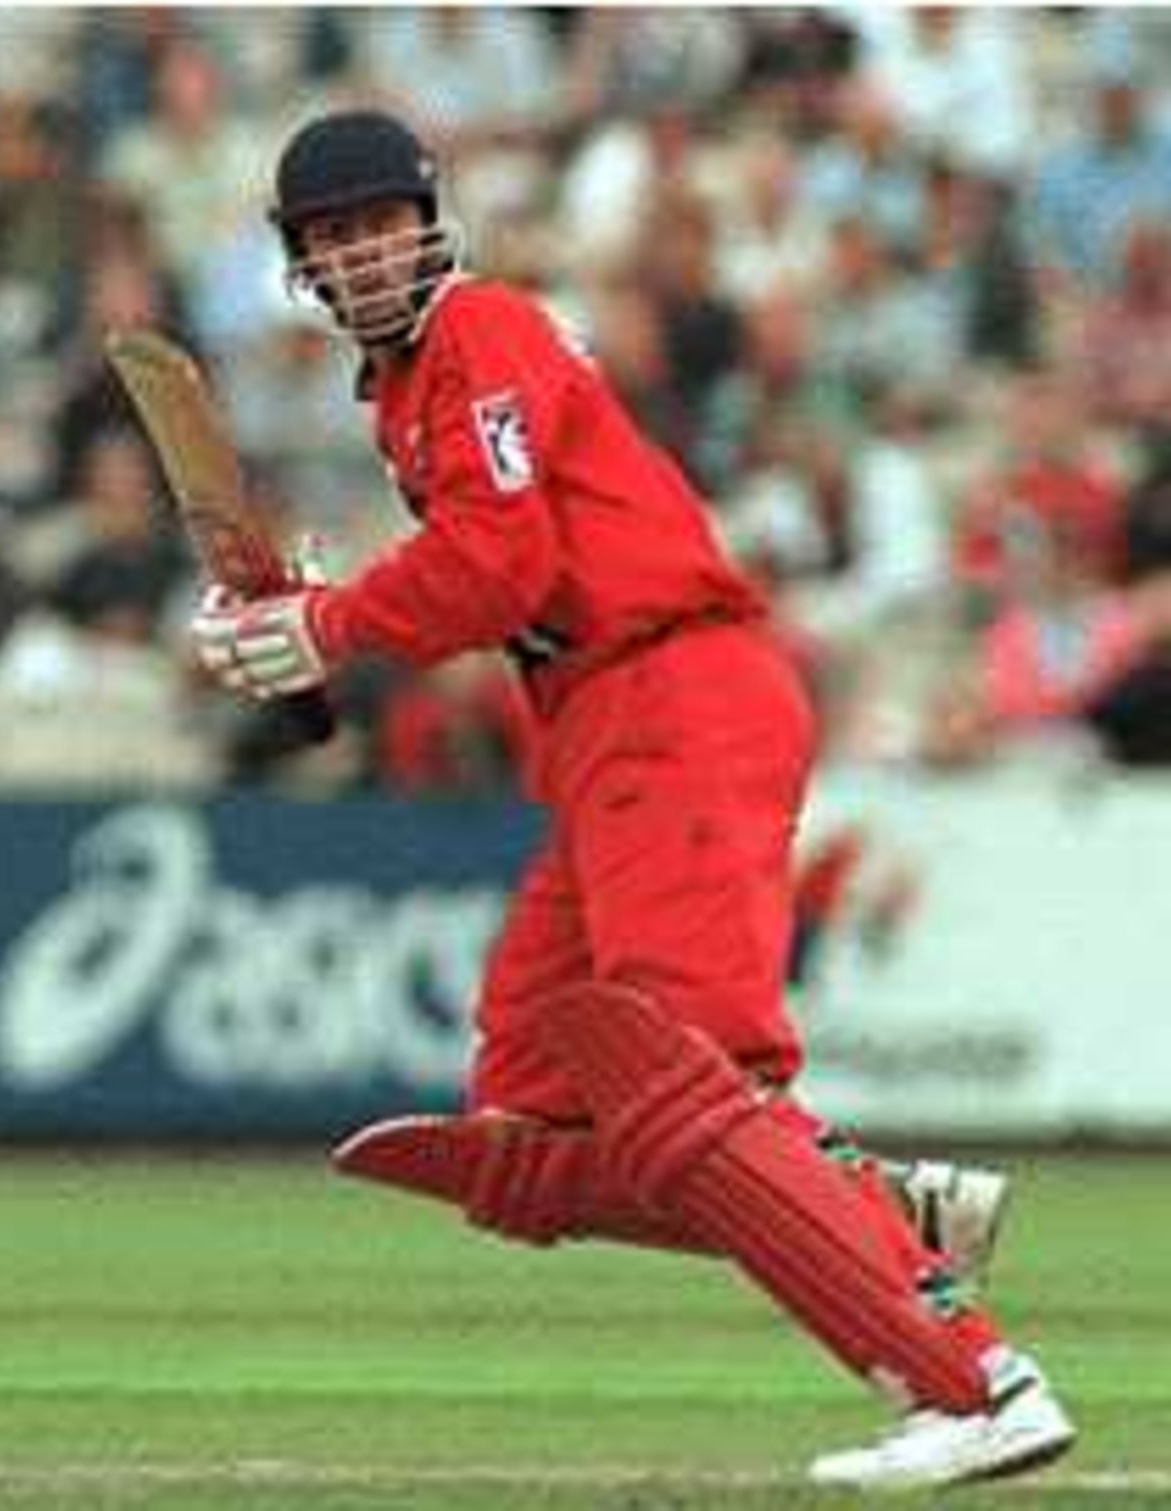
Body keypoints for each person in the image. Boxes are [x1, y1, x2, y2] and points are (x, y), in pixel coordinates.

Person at [190, 108, 1075, 1488]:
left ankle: (974, 1382)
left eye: (379, 226)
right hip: (610, 726)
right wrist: (307, 616)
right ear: (301, 262)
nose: (360, 255)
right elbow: (494, 570)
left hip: (675, 697)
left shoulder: (482, 330)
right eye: (332, 236)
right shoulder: (408, 391)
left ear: (429, 225)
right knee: (528, 1120)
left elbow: (494, 567)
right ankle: (867, 1209)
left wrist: (327, 623)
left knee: (685, 1080)